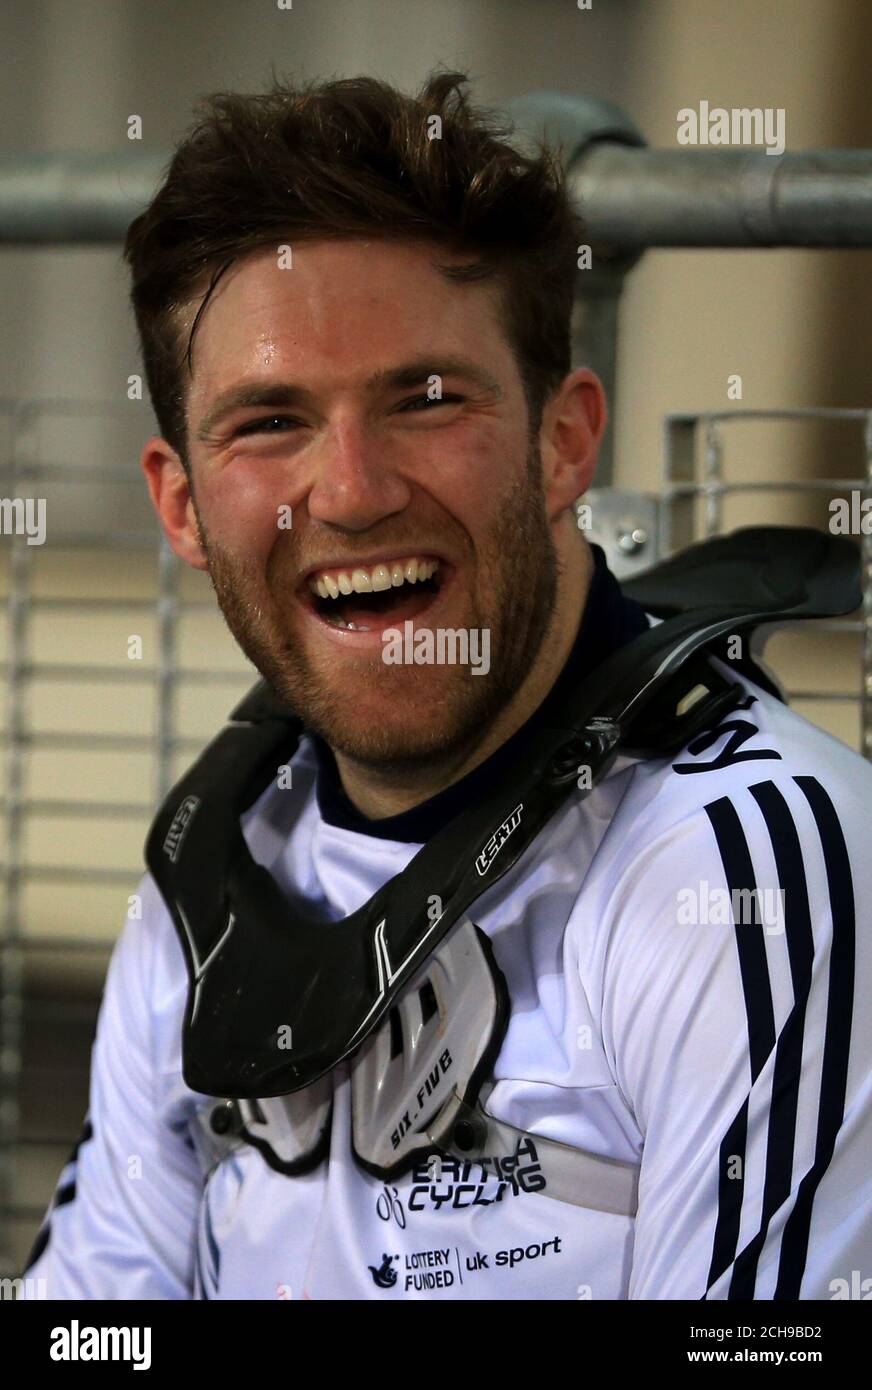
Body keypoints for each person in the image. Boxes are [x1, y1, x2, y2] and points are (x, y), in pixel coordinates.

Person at [23, 70, 872, 1300]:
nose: (354, 490)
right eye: (268, 421)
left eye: (424, 400)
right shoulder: (213, 872)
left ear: (562, 440)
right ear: (180, 503)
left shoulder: (747, 872)